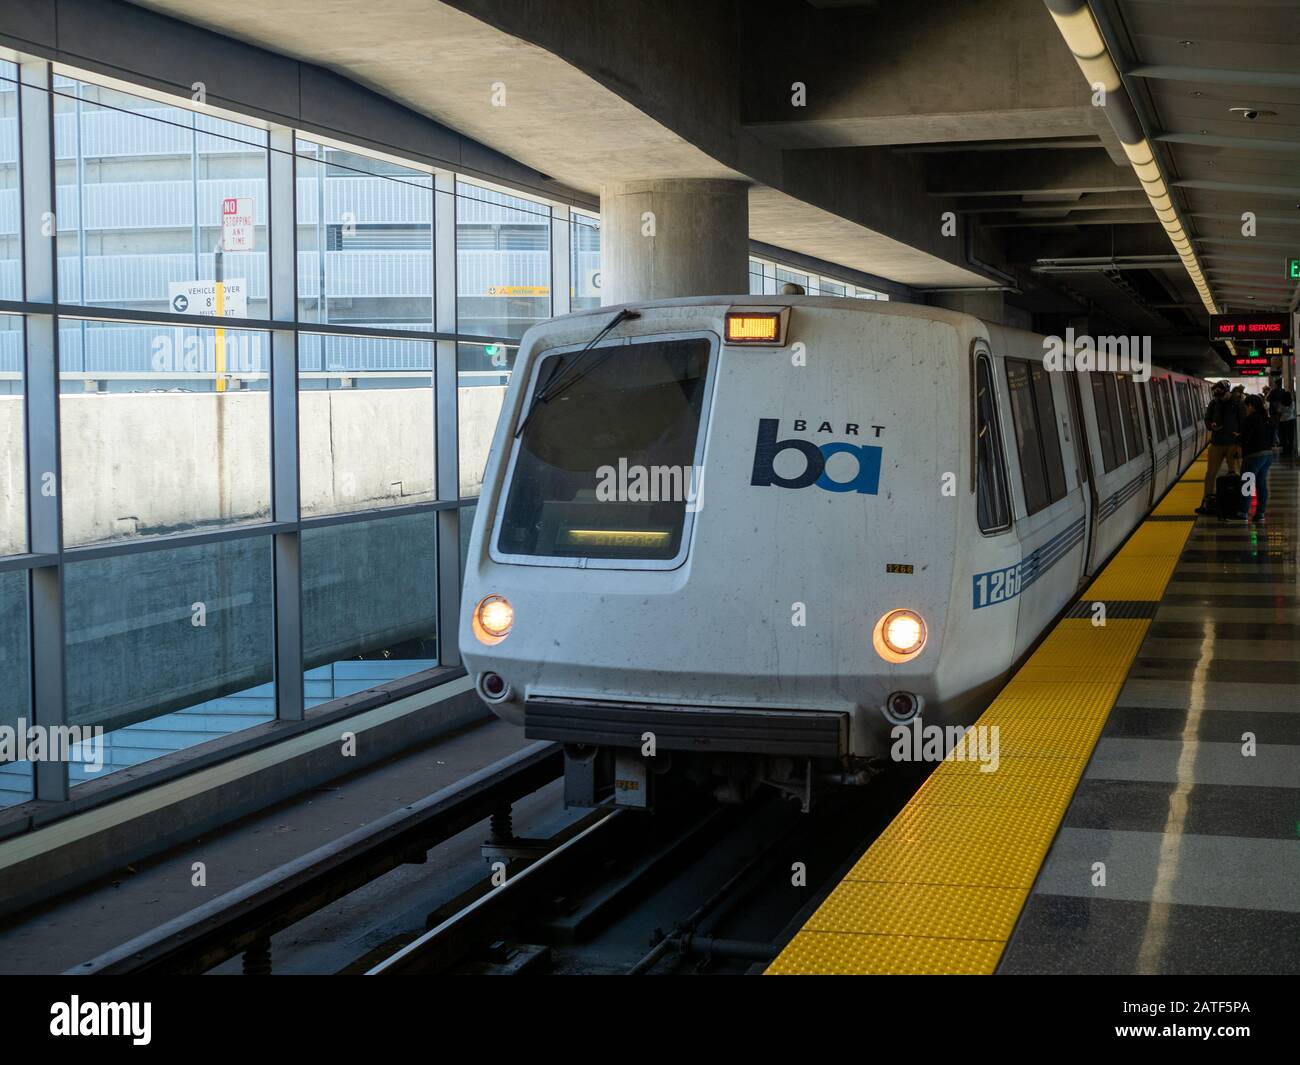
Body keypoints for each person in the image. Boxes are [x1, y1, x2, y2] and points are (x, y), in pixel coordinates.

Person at [1197, 381, 1243, 516]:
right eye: (1218, 396)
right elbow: (1207, 419)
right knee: (1210, 473)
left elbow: (1243, 422)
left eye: (1222, 395)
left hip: (1232, 444)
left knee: (1234, 473)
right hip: (1216, 443)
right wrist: (1211, 426)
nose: (1220, 398)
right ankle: (1208, 501)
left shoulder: (1238, 404)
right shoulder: (1214, 403)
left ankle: (1236, 502)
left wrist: (1240, 441)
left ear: (1228, 391)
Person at [1236, 394, 1273, 523]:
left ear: (1251, 406)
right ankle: (1260, 513)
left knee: (1247, 483)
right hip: (1268, 455)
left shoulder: (1250, 419)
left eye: (1247, 406)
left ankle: (1243, 512)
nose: (1246, 409)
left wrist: (1237, 437)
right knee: (1261, 484)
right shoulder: (1266, 418)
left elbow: (1245, 438)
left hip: (1254, 455)